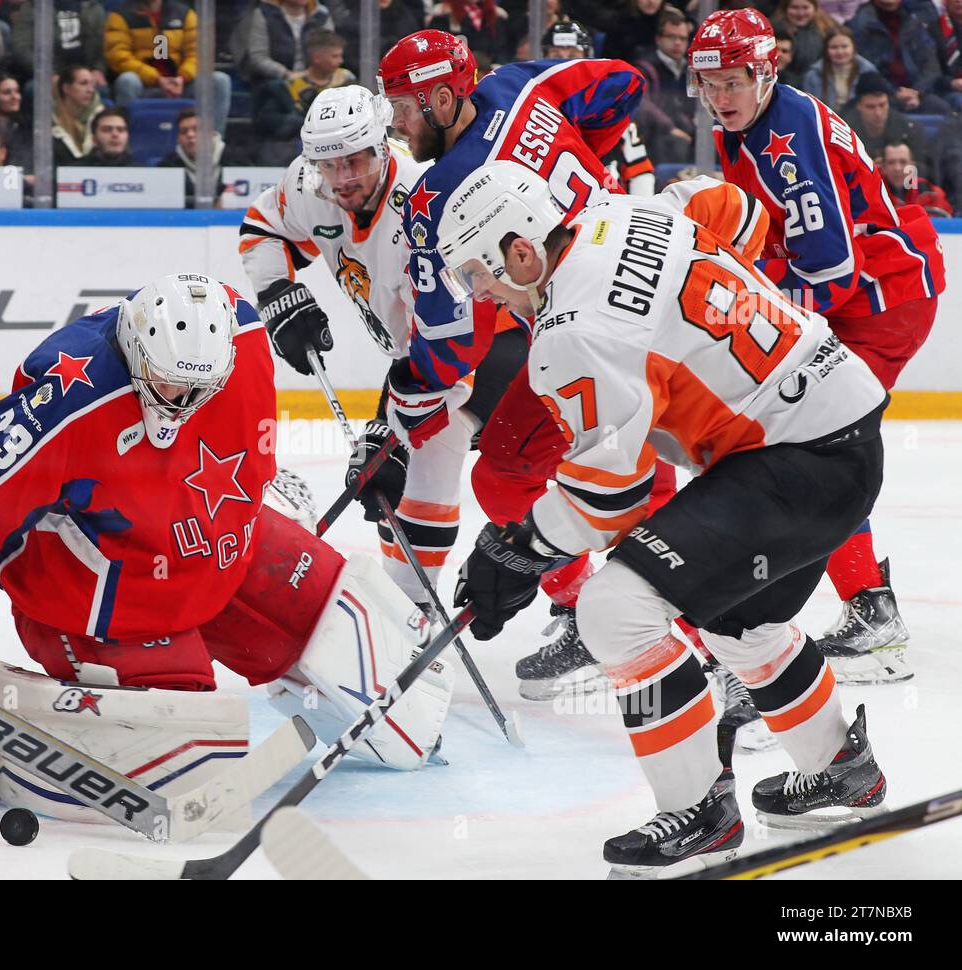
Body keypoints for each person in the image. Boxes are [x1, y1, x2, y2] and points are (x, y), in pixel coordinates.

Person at [0, 274, 454, 818]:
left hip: (218, 552)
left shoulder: (243, 338)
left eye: (198, 389)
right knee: (181, 742)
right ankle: (17, 743)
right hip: (104, 596)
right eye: (166, 382)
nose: (181, 400)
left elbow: (248, 453)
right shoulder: (72, 397)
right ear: (139, 352)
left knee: (385, 679)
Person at [438, 160, 892, 878]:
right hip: (842, 429)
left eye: (478, 273)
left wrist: (516, 548)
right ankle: (841, 766)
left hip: (797, 460)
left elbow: (609, 497)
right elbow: (735, 208)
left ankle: (700, 811)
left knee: (616, 608)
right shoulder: (623, 209)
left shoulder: (571, 333)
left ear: (523, 251)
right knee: (738, 619)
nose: (480, 293)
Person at [377, 29, 675, 699]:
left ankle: (703, 633)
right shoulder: (522, 87)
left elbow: (450, 341)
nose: (396, 123)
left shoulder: (437, 198)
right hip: (643, 274)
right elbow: (626, 79)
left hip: (585, 330)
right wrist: (577, 166)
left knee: (635, 478)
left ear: (446, 97)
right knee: (509, 474)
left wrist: (404, 392)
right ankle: (586, 615)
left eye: (404, 106)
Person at [688, 8, 946, 683]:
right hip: (872, 293)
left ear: (765, 69)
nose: (721, 96)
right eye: (709, 83)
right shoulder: (750, 121)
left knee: (813, 446)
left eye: (734, 80)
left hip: (884, 299)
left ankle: (866, 614)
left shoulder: (786, 134)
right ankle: (862, 607)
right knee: (803, 447)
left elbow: (829, 274)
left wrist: (743, 301)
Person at [241, 83, 476, 608]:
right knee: (404, 477)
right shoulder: (307, 184)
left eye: (355, 161)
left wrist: (388, 428)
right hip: (416, 357)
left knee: (452, 468)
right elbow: (263, 227)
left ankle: (412, 612)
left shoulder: (423, 202)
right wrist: (281, 294)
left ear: (381, 144)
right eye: (330, 164)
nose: (343, 179)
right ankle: (410, 615)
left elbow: (446, 345)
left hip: (471, 349)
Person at [543, 21, 655, 195]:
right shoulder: (531, 109)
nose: (565, 62)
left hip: (607, 214)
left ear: (589, 58)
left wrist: (638, 210)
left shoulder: (612, 112)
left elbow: (640, 174)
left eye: (573, 55)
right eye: (556, 55)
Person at [105, 0, 233, 135]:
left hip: (181, 85)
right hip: (144, 85)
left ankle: (214, 142)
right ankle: (127, 141)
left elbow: (198, 52)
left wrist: (182, 77)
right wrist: (155, 78)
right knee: (127, 80)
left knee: (220, 81)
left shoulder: (185, 14)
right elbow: (118, 55)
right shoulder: (120, 15)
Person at [251, 29, 357, 167]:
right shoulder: (290, 85)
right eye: (335, 56)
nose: (340, 61)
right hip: (297, 148)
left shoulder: (346, 79)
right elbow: (271, 122)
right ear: (317, 58)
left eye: (340, 56)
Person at [848, 0, 948, 114]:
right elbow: (867, 68)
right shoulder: (861, 24)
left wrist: (916, 91)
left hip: (918, 92)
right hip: (881, 93)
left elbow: (931, 65)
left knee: (941, 108)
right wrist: (895, 93)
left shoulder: (914, 20)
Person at [636, 7, 699, 165]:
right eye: (671, 37)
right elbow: (642, 103)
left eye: (682, 38)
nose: (677, 43)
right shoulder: (645, 66)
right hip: (658, 135)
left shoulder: (692, 68)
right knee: (674, 144)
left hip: (691, 132)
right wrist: (669, 127)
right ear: (658, 39)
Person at [244, 0, 335, 81]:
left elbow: (329, 51)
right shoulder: (263, 14)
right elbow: (258, 57)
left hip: (316, 78)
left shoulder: (321, 15)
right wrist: (286, 74)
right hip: (275, 81)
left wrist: (312, 75)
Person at [847, 71, 929, 162]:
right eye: (870, 107)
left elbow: (923, 168)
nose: (878, 113)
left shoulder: (910, 129)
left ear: (888, 103)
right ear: (858, 106)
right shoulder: (845, 131)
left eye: (882, 105)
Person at [801, 25, 879, 112]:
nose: (840, 52)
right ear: (826, 50)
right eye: (834, 47)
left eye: (844, 46)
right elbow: (810, 108)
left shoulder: (868, 71)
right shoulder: (813, 75)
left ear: (854, 47)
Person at [157, 108, 225, 205]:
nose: (190, 135)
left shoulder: (235, 161)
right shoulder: (167, 167)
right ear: (178, 139)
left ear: (212, 133)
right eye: (183, 132)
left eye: (196, 129)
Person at [880, 138, 954, 215]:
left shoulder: (932, 194)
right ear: (883, 167)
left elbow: (948, 223)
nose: (897, 168)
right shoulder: (873, 194)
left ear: (912, 166)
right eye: (891, 162)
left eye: (903, 162)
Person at [52, 63, 102, 165]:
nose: (90, 90)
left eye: (92, 85)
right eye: (83, 84)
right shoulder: (48, 122)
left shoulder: (101, 119)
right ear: (66, 88)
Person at [771, 0, 836, 77]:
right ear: (785, 8)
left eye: (805, 7)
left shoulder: (827, 31)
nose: (800, 13)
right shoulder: (771, 29)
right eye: (794, 7)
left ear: (814, 8)